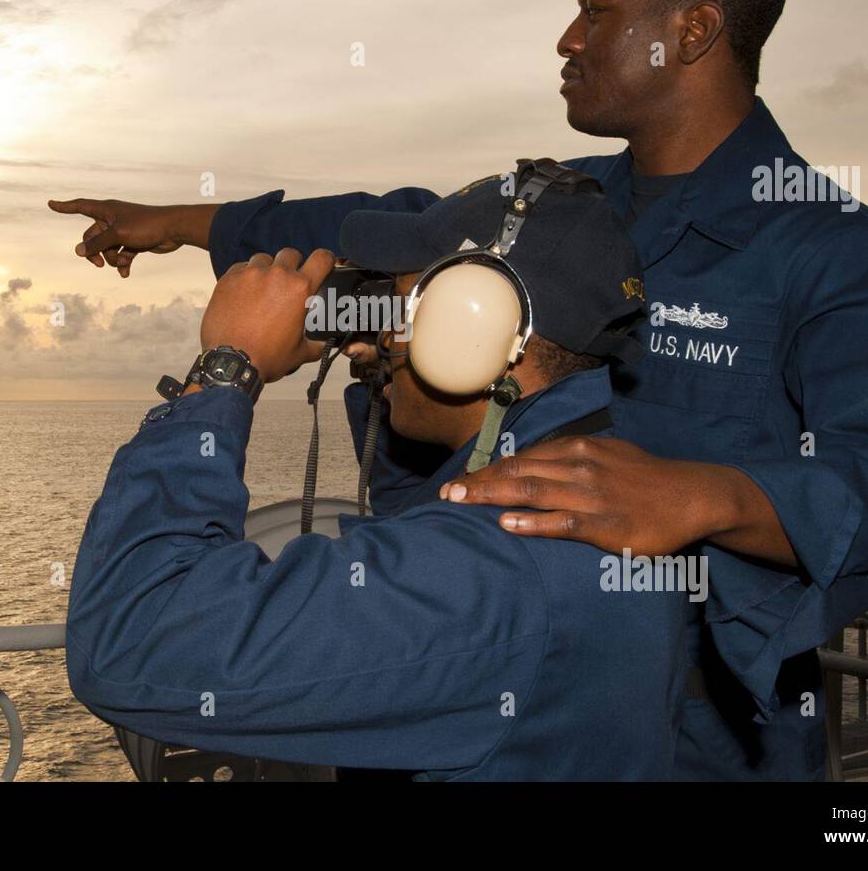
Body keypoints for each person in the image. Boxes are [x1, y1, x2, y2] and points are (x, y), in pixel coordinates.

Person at [51, 0, 868, 780]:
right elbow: (386, 222)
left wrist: (709, 497)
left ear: (691, 31)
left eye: (594, 9)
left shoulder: (826, 245)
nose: (569, 40)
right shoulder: (561, 208)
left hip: (713, 730)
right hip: (484, 689)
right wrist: (184, 221)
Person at [65, 173, 697, 780]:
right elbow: (420, 508)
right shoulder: (592, 485)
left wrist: (228, 369)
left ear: (472, 328)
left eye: (402, 306)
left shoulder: (493, 569)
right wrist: (386, 375)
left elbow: (132, 638)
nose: (381, 335)